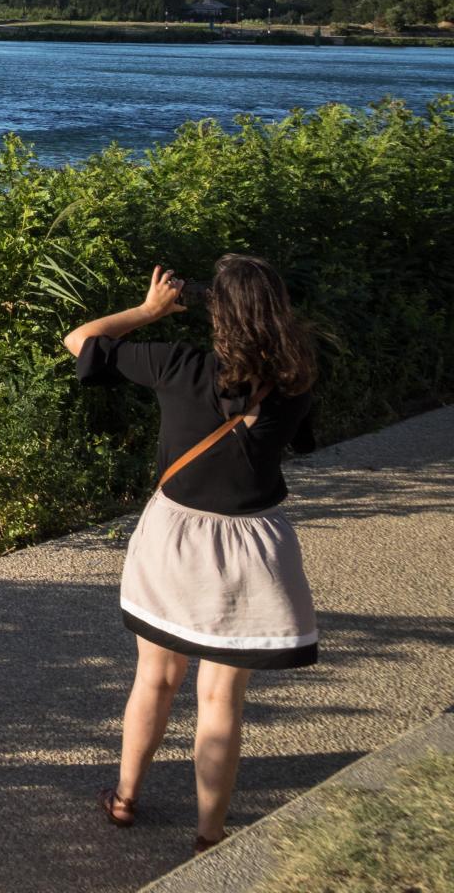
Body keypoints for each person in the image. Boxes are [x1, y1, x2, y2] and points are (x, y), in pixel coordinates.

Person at [63, 257, 317, 855]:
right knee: (221, 699)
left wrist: (148, 311)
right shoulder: (298, 380)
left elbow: (82, 341)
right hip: (253, 546)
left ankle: (125, 800)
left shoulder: (181, 365)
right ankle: (209, 836)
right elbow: (301, 442)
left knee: (154, 678)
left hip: (175, 541)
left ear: (217, 312)